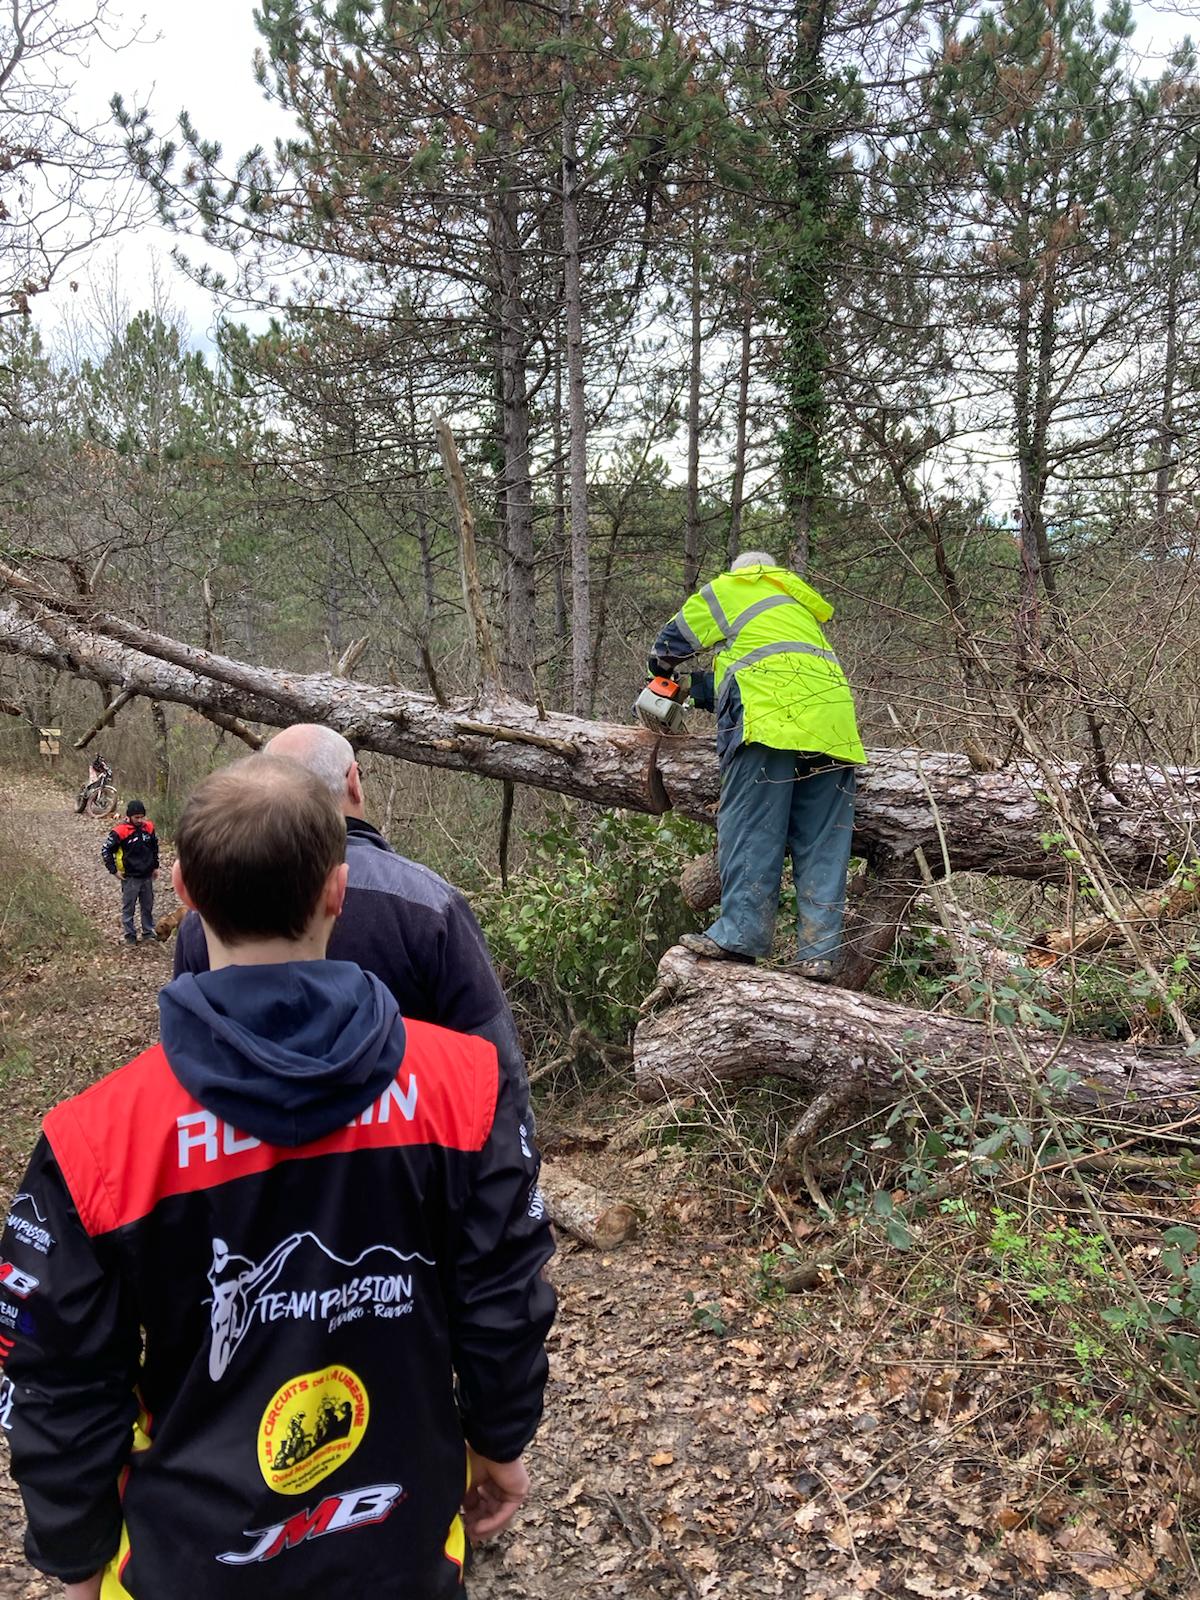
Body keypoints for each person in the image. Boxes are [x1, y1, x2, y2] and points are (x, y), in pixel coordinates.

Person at [0, 755, 555, 1599]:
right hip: (403, 1544)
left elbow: (57, 1374)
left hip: (189, 1559)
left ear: (181, 891)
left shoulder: (96, 1140)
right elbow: (503, 1294)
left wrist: (75, 1558)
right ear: (338, 890)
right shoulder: (465, 1086)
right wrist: (502, 1443)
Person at [175, 723, 532, 1115]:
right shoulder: (429, 904)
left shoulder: (205, 919)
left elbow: (191, 1058)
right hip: (413, 1152)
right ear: (354, 782)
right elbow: (496, 1064)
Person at [648, 551, 866, 979]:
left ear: (739, 571)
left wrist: (659, 670)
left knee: (751, 826)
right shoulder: (797, 609)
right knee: (823, 843)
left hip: (770, 723)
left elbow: (670, 642)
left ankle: (740, 934)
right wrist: (693, 690)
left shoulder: (733, 589)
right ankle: (819, 952)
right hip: (835, 728)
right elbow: (759, 667)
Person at [101, 798, 160, 944]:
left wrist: (155, 866)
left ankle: (148, 932)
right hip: (130, 877)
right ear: (129, 816)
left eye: (142, 817)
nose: (140, 820)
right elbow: (106, 850)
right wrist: (113, 870)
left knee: (147, 905)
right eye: (136, 817)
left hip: (147, 875)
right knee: (129, 907)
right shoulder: (119, 831)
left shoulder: (149, 828)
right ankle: (130, 935)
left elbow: (154, 848)